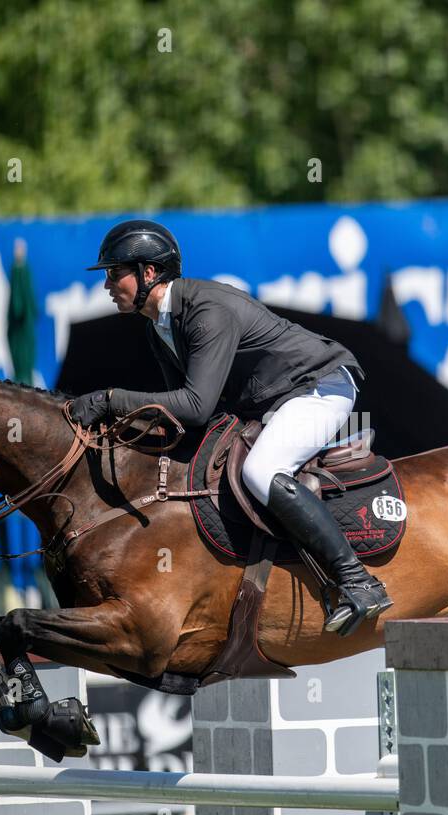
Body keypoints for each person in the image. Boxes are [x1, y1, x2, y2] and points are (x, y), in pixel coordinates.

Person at [69, 219, 392, 636]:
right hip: (276, 399)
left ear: (149, 273)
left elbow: (196, 405)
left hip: (319, 388)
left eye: (115, 273)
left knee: (260, 471)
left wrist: (110, 400)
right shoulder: (159, 328)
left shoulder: (206, 310)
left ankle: (358, 581)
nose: (108, 284)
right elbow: (181, 420)